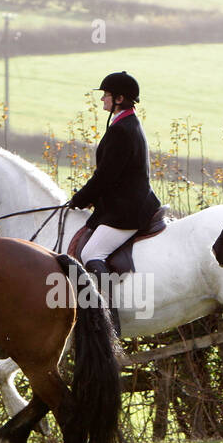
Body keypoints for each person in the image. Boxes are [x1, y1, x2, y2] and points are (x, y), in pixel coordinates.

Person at [66, 71, 162, 331]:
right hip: (125, 203)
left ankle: (108, 321)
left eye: (106, 95)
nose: (102, 101)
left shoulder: (122, 130)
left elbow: (105, 176)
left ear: (119, 98)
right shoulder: (126, 123)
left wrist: (79, 198)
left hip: (127, 210)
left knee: (91, 253)